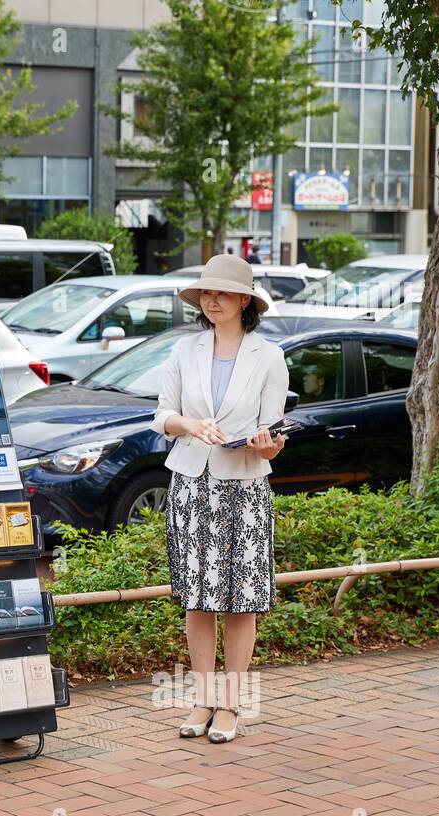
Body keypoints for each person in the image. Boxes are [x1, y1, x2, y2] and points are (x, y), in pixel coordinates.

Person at [149, 254, 290, 744]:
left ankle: (231, 703)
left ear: (245, 301)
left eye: (223, 293)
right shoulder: (185, 350)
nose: (212, 301)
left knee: (241, 601)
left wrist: (266, 444)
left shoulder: (269, 356)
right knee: (197, 599)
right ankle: (202, 698)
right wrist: (189, 424)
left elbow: (271, 428)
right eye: (206, 293)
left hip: (245, 488)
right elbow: (161, 414)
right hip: (190, 484)